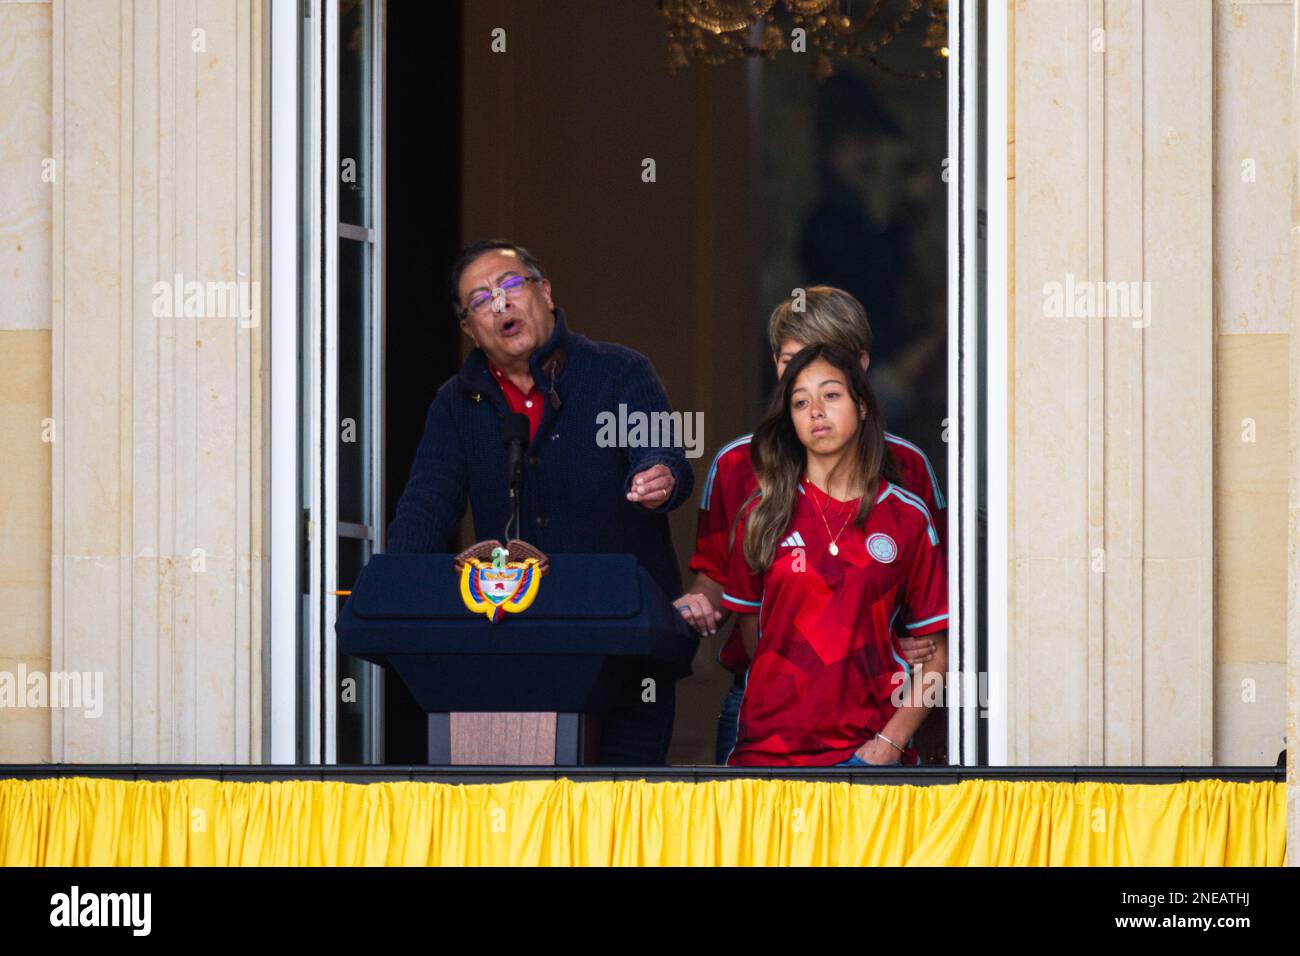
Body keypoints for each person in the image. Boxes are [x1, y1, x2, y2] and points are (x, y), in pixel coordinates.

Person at [387, 239, 694, 766]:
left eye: (510, 285)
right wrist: (396, 591)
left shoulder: (620, 372)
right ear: (468, 328)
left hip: (625, 648)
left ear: (544, 292)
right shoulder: (456, 403)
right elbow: (426, 509)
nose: (500, 304)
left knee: (616, 828)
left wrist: (659, 476)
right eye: (480, 300)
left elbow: (664, 454)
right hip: (510, 651)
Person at [672, 287, 946, 763]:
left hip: (877, 713)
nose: (803, 380)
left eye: (823, 368)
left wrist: (891, 656)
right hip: (766, 712)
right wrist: (701, 604)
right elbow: (722, 578)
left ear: (859, 368)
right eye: (788, 362)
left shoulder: (909, 469)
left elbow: (934, 602)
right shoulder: (739, 465)